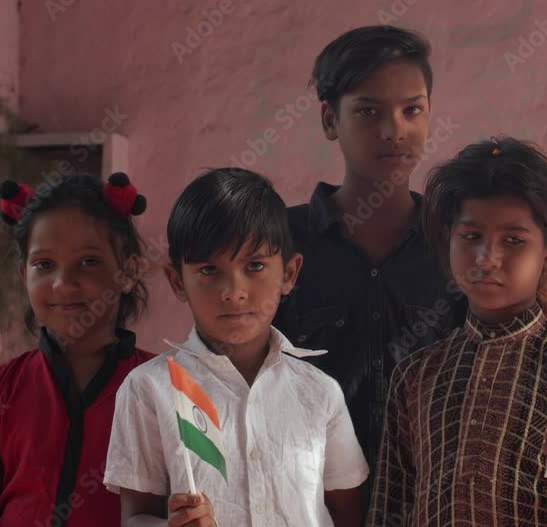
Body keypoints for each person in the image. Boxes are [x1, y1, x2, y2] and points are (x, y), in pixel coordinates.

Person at [273, 25, 547, 482]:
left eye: (411, 110)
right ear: (329, 120)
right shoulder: (277, 241)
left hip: (434, 502)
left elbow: (509, 374)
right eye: (367, 111)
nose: (393, 130)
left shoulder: (461, 244)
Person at [368, 137, 547, 526]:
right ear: (448, 240)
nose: (487, 258)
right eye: (471, 236)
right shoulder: (416, 375)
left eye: (513, 241)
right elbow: (390, 509)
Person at [104, 168, 369, 526]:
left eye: (255, 265)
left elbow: (346, 514)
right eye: (209, 270)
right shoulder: (149, 389)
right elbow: (135, 516)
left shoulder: (319, 394)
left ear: (289, 274)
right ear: (177, 281)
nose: (234, 291)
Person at [0, 173, 156, 526]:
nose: (62, 283)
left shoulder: (161, 388)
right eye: (44, 264)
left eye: (88, 261)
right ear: (22, 275)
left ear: (128, 270)